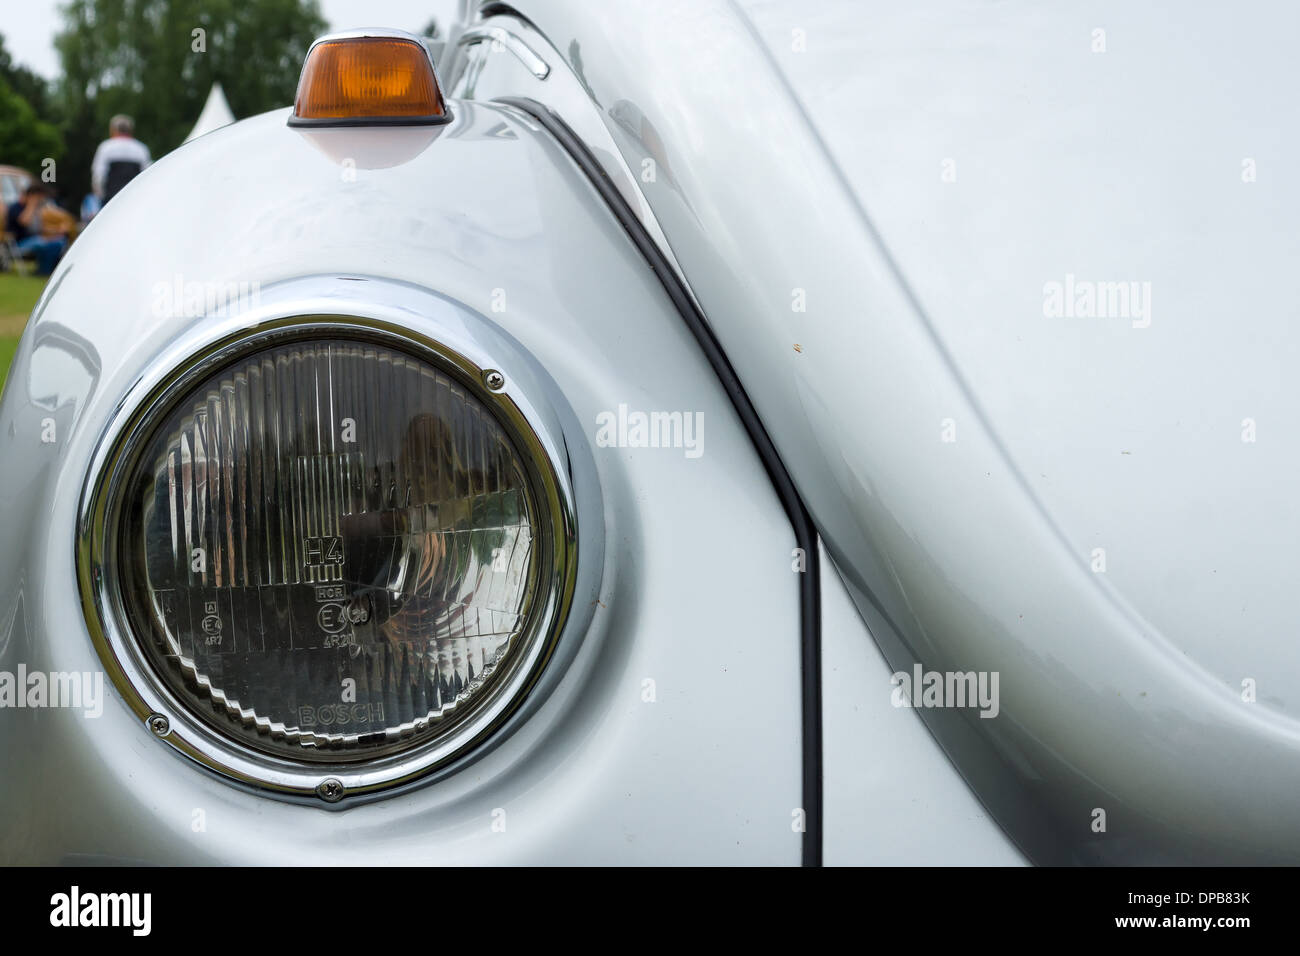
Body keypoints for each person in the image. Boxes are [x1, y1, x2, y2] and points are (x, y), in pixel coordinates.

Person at [4, 183, 73, 277]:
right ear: (32, 196)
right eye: (39, 197)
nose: (41, 200)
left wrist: (57, 230)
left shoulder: (36, 209)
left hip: (36, 239)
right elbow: (24, 222)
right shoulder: (16, 207)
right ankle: (44, 271)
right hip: (19, 243)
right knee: (40, 241)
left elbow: (40, 229)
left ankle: (44, 271)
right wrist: (31, 204)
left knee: (59, 242)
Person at [91, 114, 152, 204]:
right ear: (131, 130)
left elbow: (99, 175)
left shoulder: (106, 147)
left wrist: (100, 196)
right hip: (135, 198)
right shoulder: (141, 149)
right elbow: (148, 174)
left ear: (112, 130)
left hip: (111, 200)